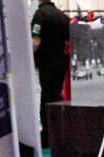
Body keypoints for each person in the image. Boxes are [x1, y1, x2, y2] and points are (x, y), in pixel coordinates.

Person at [31, 0, 70, 149]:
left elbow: (36, 41)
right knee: (51, 96)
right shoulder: (62, 16)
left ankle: (54, 135)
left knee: (50, 98)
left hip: (47, 62)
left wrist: (28, 58)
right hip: (61, 63)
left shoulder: (40, 14)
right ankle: (49, 134)